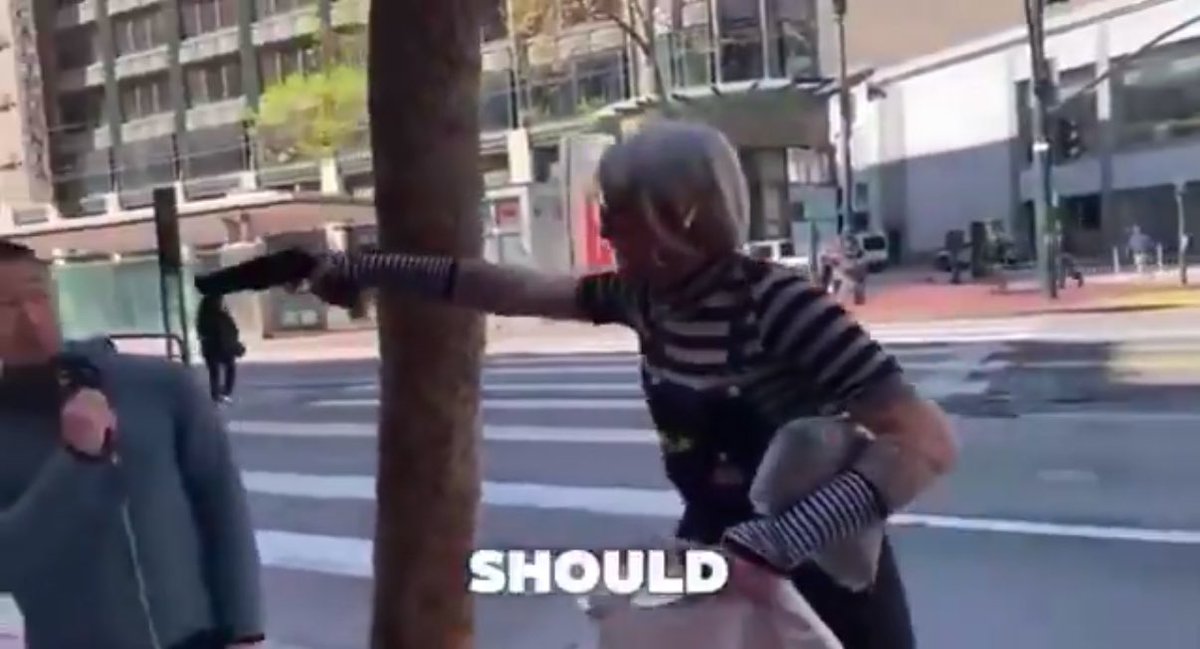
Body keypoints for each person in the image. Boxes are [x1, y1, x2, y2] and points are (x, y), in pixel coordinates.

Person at [282, 121, 955, 648]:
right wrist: (369, 267)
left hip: (821, 575)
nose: (603, 226)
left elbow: (924, 439)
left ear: (680, 213)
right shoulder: (643, 298)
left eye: (618, 210)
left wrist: (782, 539)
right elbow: (508, 287)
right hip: (714, 557)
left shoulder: (778, 304)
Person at [0, 240, 265, 649]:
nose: (32, 319)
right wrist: (76, 461)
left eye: (38, 295)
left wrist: (245, 626)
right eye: (6, 305)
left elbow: (220, 501)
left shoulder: (159, 385)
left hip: (195, 637)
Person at [196, 293, 243, 403]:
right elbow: (231, 330)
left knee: (215, 372)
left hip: (212, 348)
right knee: (228, 369)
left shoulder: (204, 316)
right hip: (221, 347)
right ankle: (223, 392)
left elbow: (202, 331)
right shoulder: (220, 315)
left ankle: (216, 394)